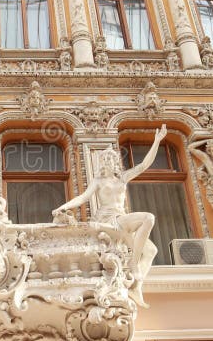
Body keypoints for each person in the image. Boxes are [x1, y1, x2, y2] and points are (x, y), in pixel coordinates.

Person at [52, 125, 167, 307]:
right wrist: (62, 206)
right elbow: (83, 197)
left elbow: (144, 165)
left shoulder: (123, 178)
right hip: (109, 220)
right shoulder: (98, 181)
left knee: (152, 251)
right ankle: (134, 263)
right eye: (104, 158)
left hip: (121, 218)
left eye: (110, 158)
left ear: (115, 162)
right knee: (148, 218)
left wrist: (157, 141)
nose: (107, 160)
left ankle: (136, 287)